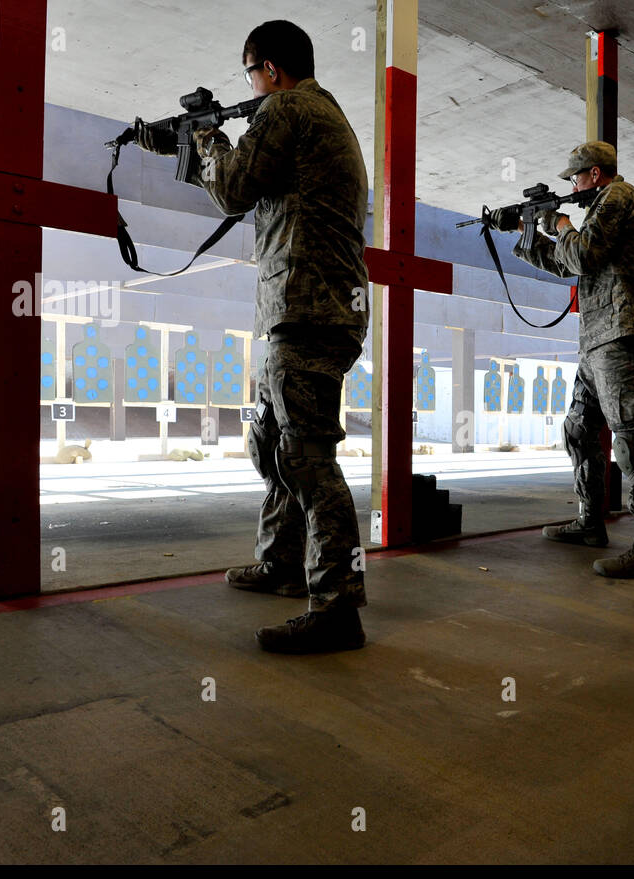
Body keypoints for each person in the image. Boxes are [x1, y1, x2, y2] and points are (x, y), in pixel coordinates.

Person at [138, 20, 369, 652]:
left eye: (251, 75)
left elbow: (235, 187)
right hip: (303, 305)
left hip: (308, 308)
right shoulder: (321, 115)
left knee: (307, 457)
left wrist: (207, 137)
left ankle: (338, 606)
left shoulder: (287, 108)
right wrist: (187, 146)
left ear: (268, 70)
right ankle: (282, 563)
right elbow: (251, 183)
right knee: (271, 442)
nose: (252, 87)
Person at [495, 141, 634, 578]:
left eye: (574, 177)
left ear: (594, 173)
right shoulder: (600, 208)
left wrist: (559, 221)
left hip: (623, 339)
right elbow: (568, 263)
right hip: (599, 342)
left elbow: (582, 254)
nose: (572, 184)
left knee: (630, 440)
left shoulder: (619, 197)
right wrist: (524, 232)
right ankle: (591, 521)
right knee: (578, 428)